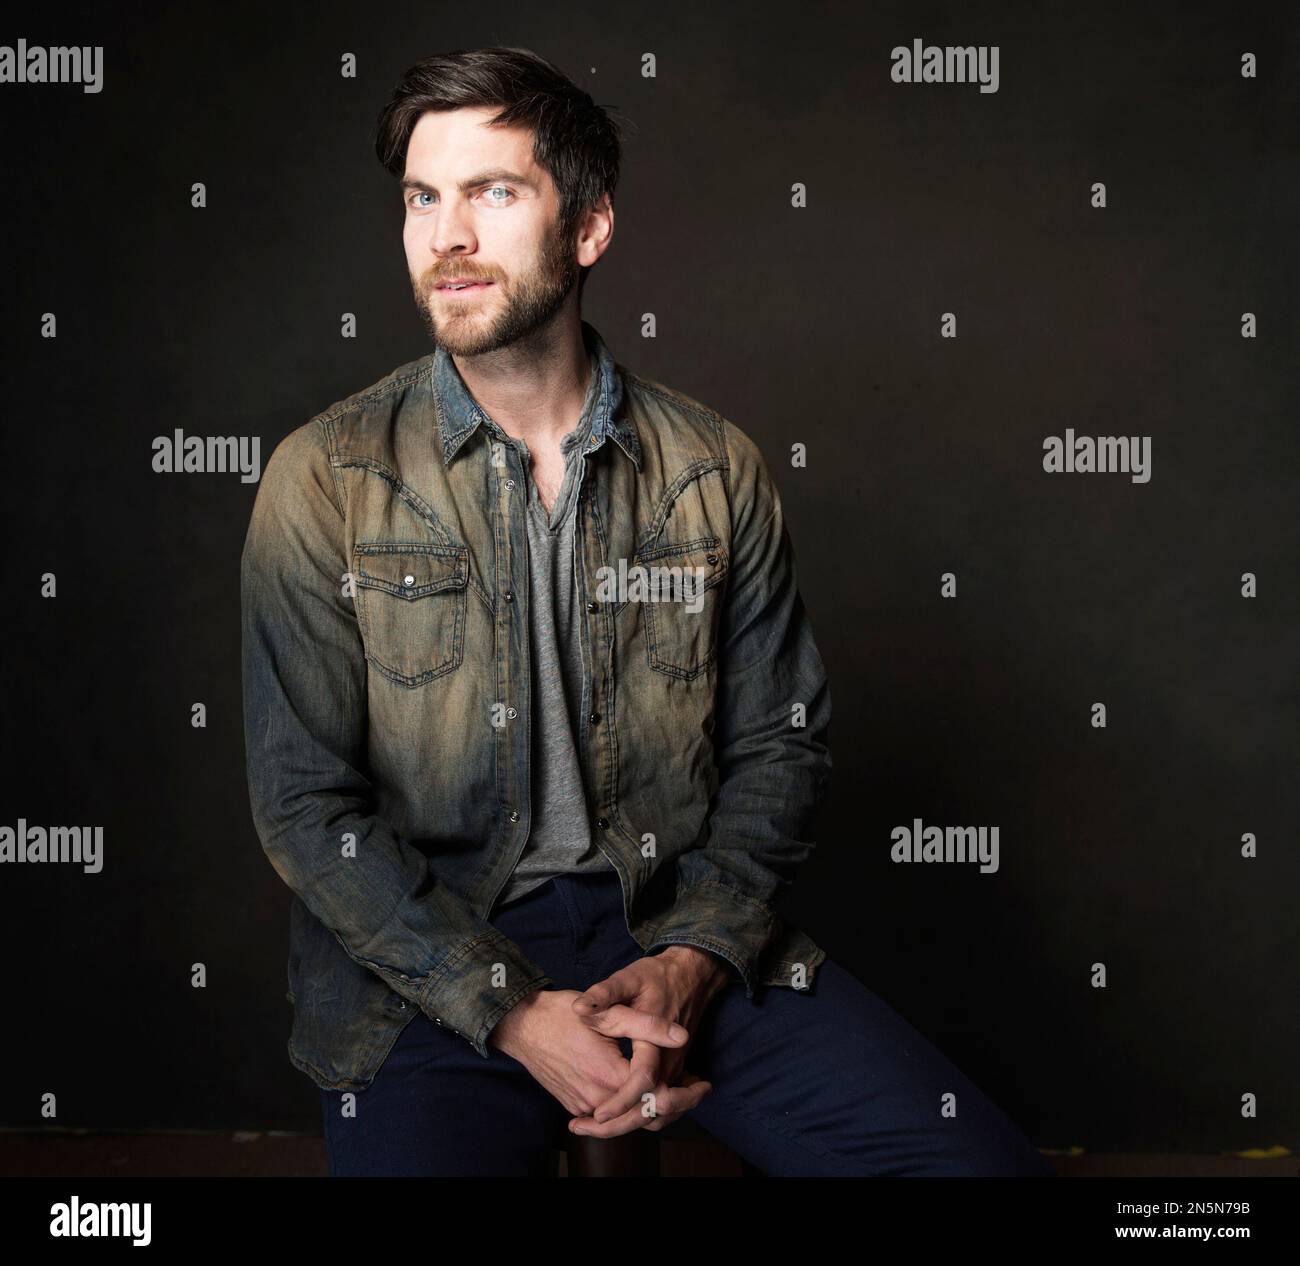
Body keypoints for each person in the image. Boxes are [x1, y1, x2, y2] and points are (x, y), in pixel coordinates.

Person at [239, 45, 1054, 1177]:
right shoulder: (322, 476)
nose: (446, 237)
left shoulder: (713, 468)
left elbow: (779, 748)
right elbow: (303, 807)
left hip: (669, 921)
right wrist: (516, 1013)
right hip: (426, 956)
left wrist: (693, 962)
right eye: (424, 197)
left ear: (588, 228)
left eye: (494, 193)